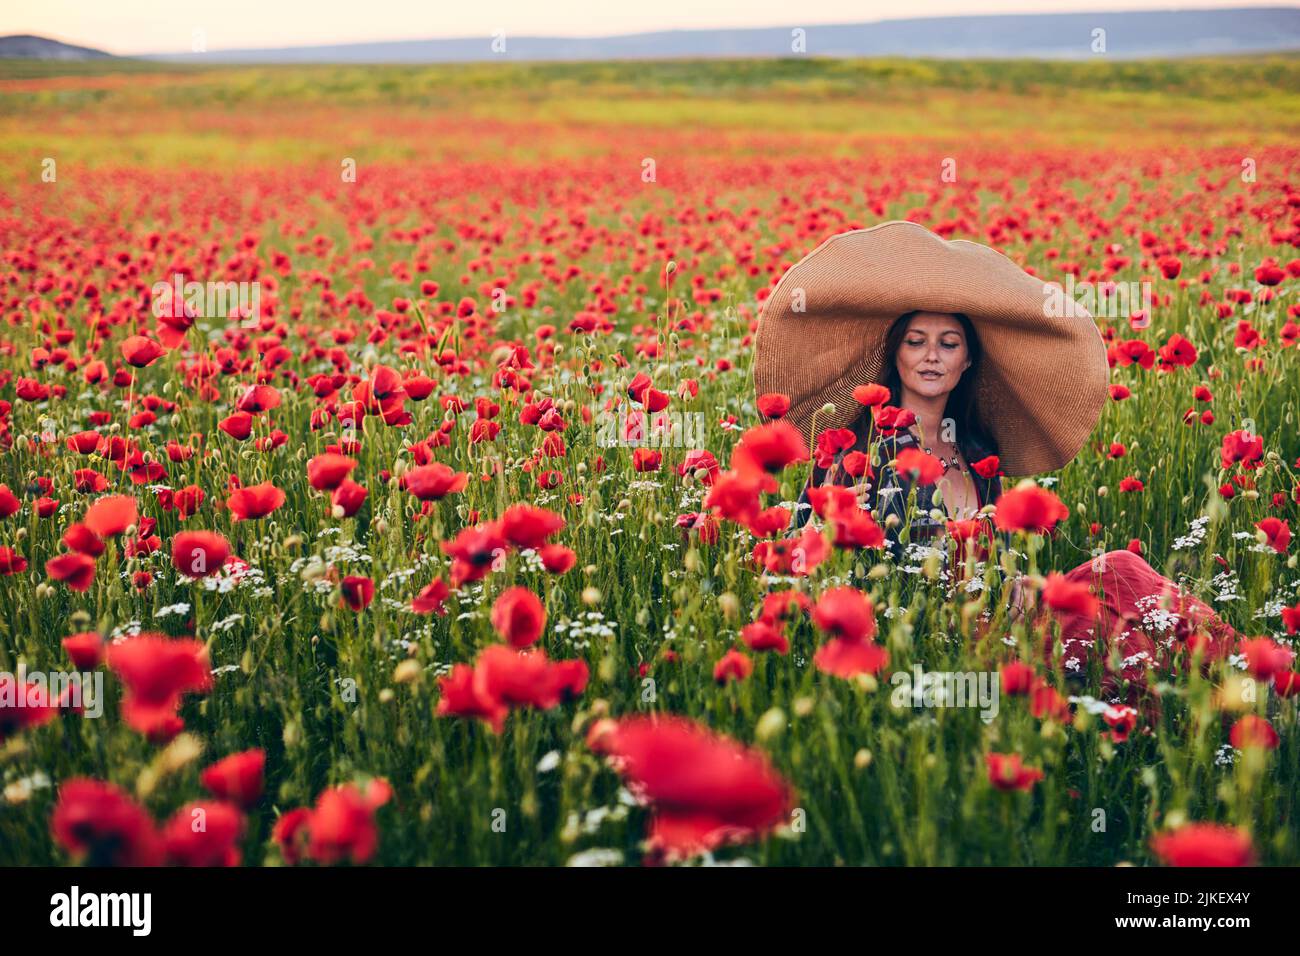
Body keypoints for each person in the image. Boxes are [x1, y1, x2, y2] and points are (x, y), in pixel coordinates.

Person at [752, 221, 1239, 701]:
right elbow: (788, 562)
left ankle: (1236, 679)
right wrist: (824, 530)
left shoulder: (979, 456)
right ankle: (1174, 711)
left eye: (949, 344)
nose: (931, 357)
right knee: (1101, 626)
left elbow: (1001, 569)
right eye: (915, 341)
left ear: (967, 363)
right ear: (894, 353)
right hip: (937, 645)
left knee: (1121, 569)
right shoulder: (854, 449)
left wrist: (1019, 587)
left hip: (1004, 623)